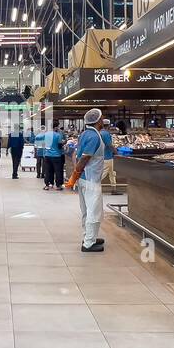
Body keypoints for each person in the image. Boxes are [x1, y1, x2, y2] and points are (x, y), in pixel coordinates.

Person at [65, 108, 109, 252]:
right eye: (102, 118)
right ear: (99, 120)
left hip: (84, 179)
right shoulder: (95, 137)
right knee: (94, 211)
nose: (103, 120)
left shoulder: (84, 134)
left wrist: (75, 176)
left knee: (86, 210)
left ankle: (89, 236)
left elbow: (76, 155)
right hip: (91, 179)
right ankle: (89, 243)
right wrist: (74, 174)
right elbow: (84, 158)